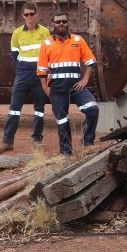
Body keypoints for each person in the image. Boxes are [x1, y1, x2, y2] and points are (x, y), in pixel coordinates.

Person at [36, 12, 99, 156]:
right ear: (53, 25)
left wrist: (85, 80)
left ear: (68, 23)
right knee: (62, 121)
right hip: (57, 89)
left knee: (92, 109)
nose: (61, 24)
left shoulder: (78, 40)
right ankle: (66, 152)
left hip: (76, 87)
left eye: (64, 21)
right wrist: (46, 89)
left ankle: (87, 143)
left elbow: (91, 62)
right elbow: (41, 70)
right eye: (58, 22)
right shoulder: (46, 44)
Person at [0, 2, 51, 154]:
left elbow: (49, 54)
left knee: (39, 109)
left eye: (32, 14)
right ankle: (7, 141)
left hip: (39, 75)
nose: (29, 17)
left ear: (37, 14)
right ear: (22, 15)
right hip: (22, 75)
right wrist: (25, 67)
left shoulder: (45, 32)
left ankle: (37, 139)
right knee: (14, 109)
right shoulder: (17, 33)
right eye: (27, 14)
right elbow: (14, 54)